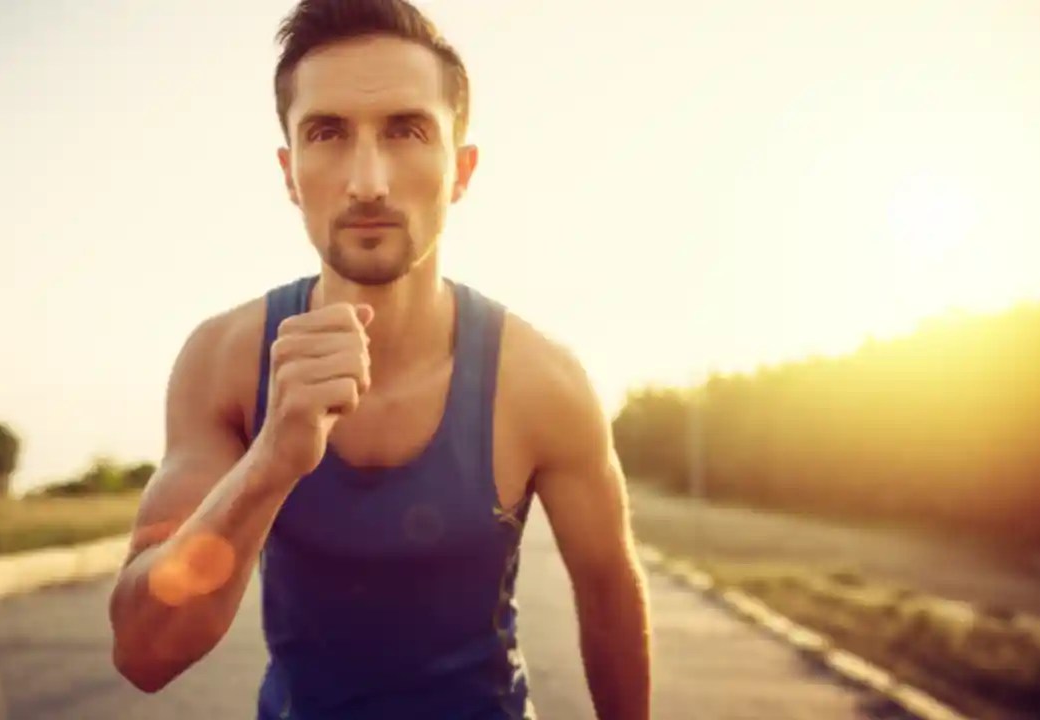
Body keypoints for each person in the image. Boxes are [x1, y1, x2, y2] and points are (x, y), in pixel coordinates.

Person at [108, 0, 652, 717]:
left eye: (408, 130)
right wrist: (271, 460)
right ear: (290, 171)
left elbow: (610, 595)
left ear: (461, 169)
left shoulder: (540, 379)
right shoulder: (225, 361)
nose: (368, 180)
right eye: (327, 133)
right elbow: (146, 652)